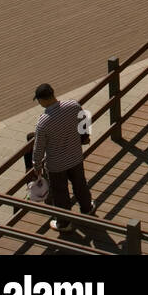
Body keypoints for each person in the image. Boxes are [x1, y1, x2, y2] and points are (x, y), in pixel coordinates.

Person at [31, 83, 94, 232]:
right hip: (75, 156)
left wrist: (37, 166)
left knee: (60, 193)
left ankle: (64, 223)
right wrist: (84, 138)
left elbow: (38, 148)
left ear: (43, 100)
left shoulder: (43, 122)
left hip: (56, 164)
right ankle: (87, 209)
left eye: (39, 100)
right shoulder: (73, 105)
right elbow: (84, 122)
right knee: (80, 184)